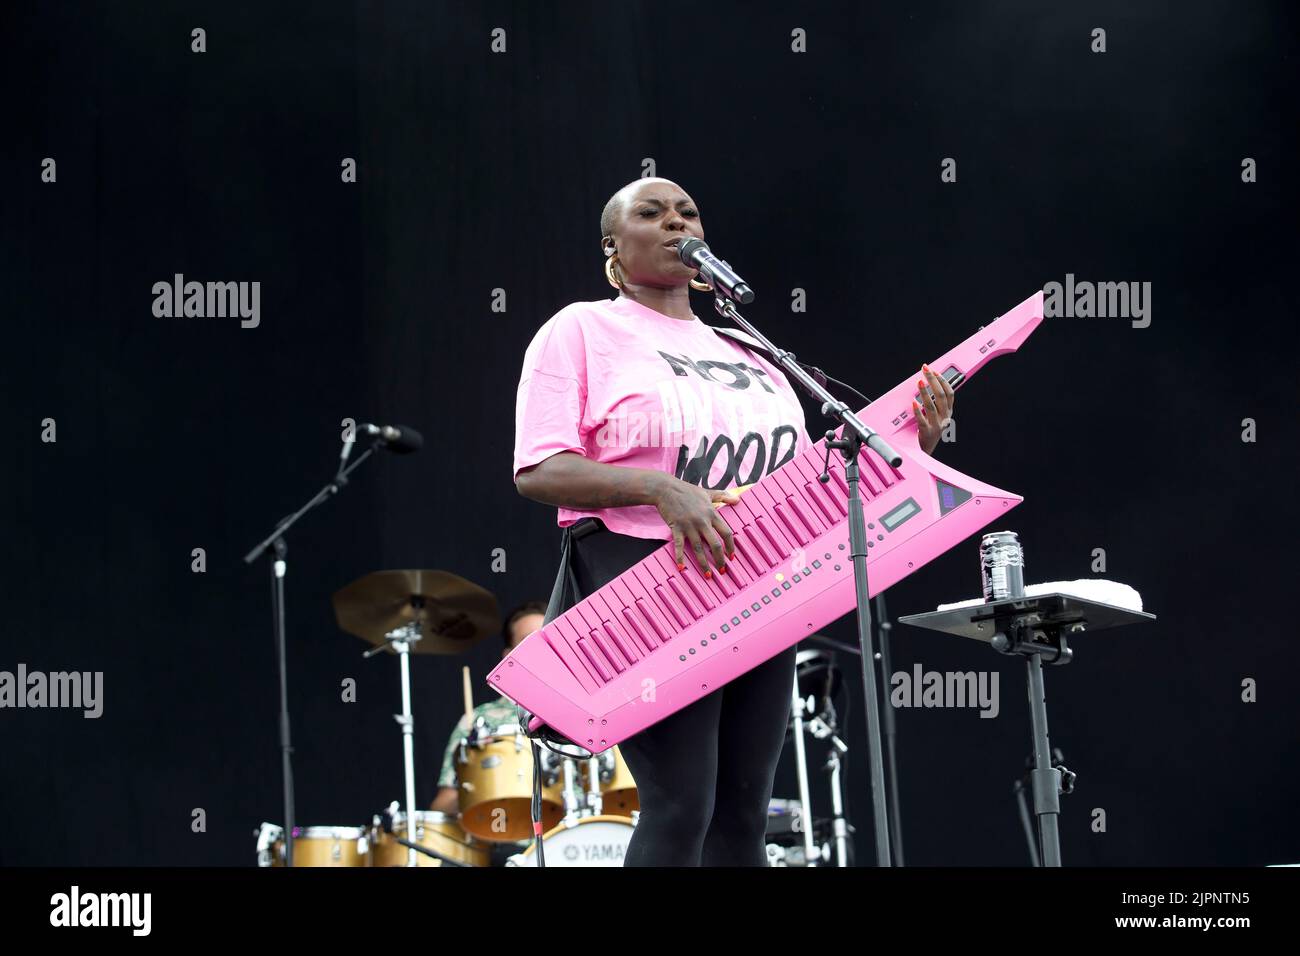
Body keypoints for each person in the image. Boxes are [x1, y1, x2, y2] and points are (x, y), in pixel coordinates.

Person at [512, 177, 956, 865]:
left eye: (687, 213)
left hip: (754, 584)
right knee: (680, 804)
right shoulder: (581, 329)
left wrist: (912, 445)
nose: (674, 222)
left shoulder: (755, 354)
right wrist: (661, 488)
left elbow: (814, 490)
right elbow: (538, 468)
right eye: (651, 213)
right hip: (644, 575)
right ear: (612, 245)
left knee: (744, 814)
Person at [430, 600, 547, 816]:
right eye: (528, 641)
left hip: (579, 841)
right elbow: (443, 804)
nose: (539, 649)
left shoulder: (589, 712)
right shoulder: (479, 720)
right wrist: (479, 781)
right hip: (507, 842)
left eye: (546, 639)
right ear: (508, 657)